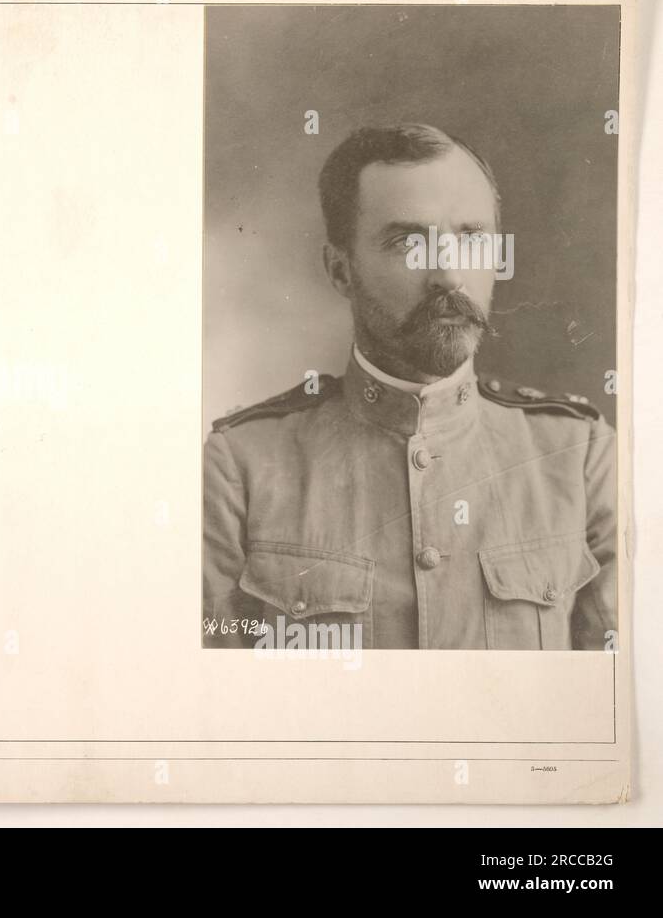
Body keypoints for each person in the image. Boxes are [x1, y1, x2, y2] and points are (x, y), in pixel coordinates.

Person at [203, 123, 616, 650]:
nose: (447, 276)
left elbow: (609, 707)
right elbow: (217, 700)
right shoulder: (241, 467)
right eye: (406, 242)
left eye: (470, 237)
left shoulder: (580, 456)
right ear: (340, 271)